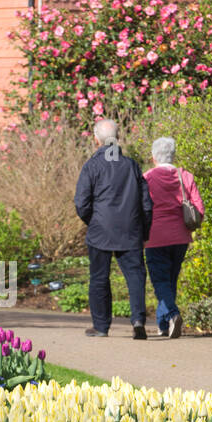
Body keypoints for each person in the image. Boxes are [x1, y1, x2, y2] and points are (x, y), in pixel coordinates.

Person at [74, 118, 153, 339]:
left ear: (96, 140)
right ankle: (138, 321)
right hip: (130, 229)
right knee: (135, 276)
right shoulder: (131, 166)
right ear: (117, 139)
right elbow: (146, 203)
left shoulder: (92, 166)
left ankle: (101, 325)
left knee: (99, 277)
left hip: (100, 230)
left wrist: (93, 220)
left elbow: (81, 202)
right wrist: (144, 231)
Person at [143, 136, 205, 339]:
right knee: (170, 280)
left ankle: (172, 314)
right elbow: (199, 208)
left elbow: (141, 207)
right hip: (180, 236)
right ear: (173, 155)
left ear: (153, 157)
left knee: (160, 281)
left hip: (155, 236)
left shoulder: (147, 178)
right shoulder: (185, 176)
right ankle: (163, 325)